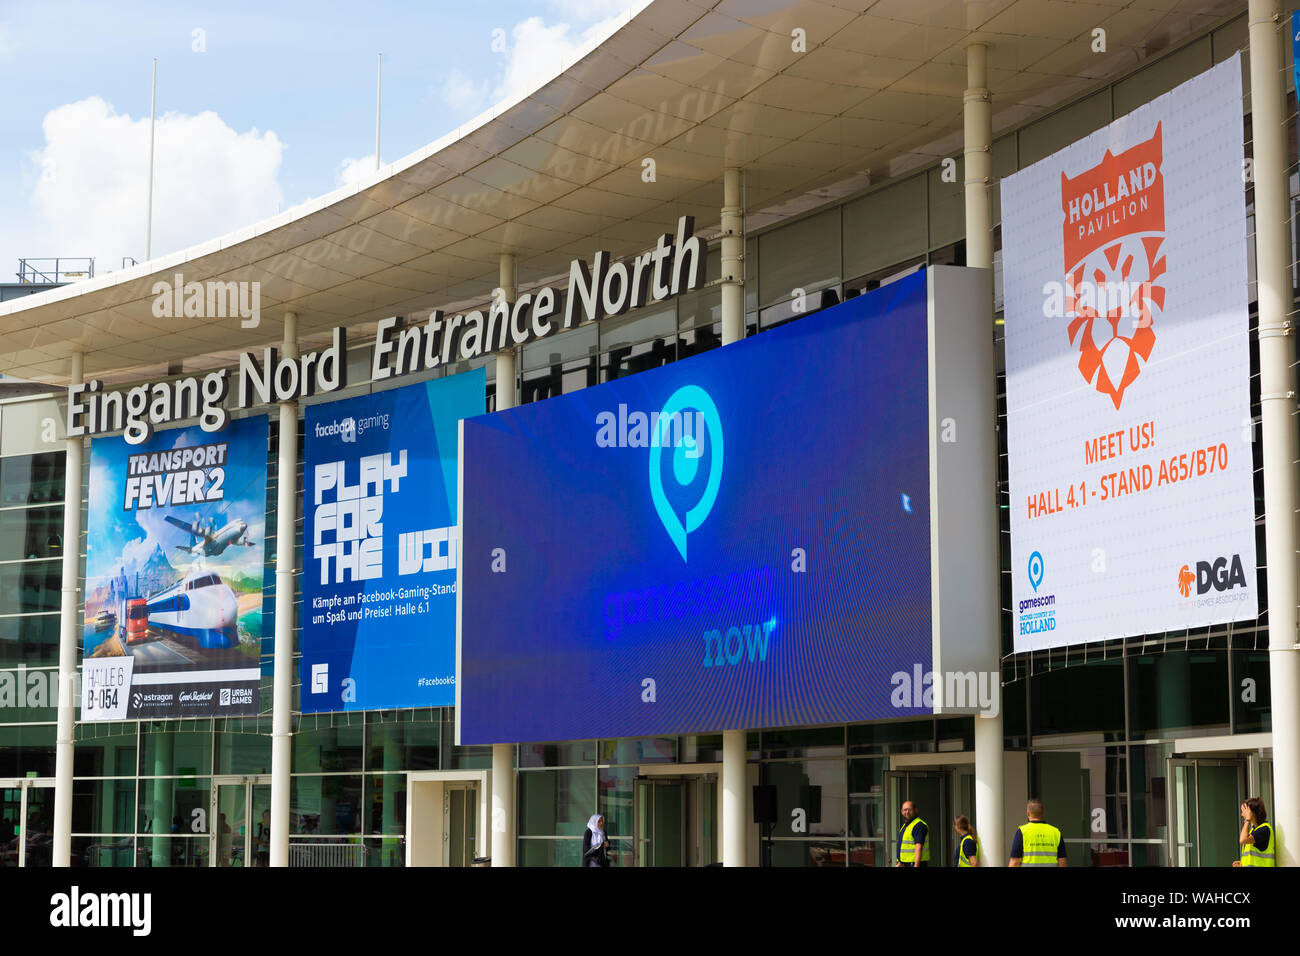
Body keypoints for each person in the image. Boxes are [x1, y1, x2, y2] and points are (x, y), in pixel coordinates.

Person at [1009, 798, 1066, 867]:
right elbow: (1062, 863)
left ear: (1028, 813)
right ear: (1043, 812)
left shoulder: (1022, 831)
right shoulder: (1055, 832)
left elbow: (1015, 862)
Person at [1233, 797, 1274, 867]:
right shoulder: (1253, 830)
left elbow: (1243, 840)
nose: (1242, 814)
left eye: (1244, 811)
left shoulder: (1264, 830)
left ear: (1252, 812)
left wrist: (1247, 819)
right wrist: (1242, 864)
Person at [895, 800, 928, 867]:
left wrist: (916, 865)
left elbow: (919, 847)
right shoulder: (906, 826)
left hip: (915, 864)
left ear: (915, 810)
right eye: (905, 810)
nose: (907, 812)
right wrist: (900, 863)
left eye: (909, 810)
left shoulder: (919, 825)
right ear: (901, 811)